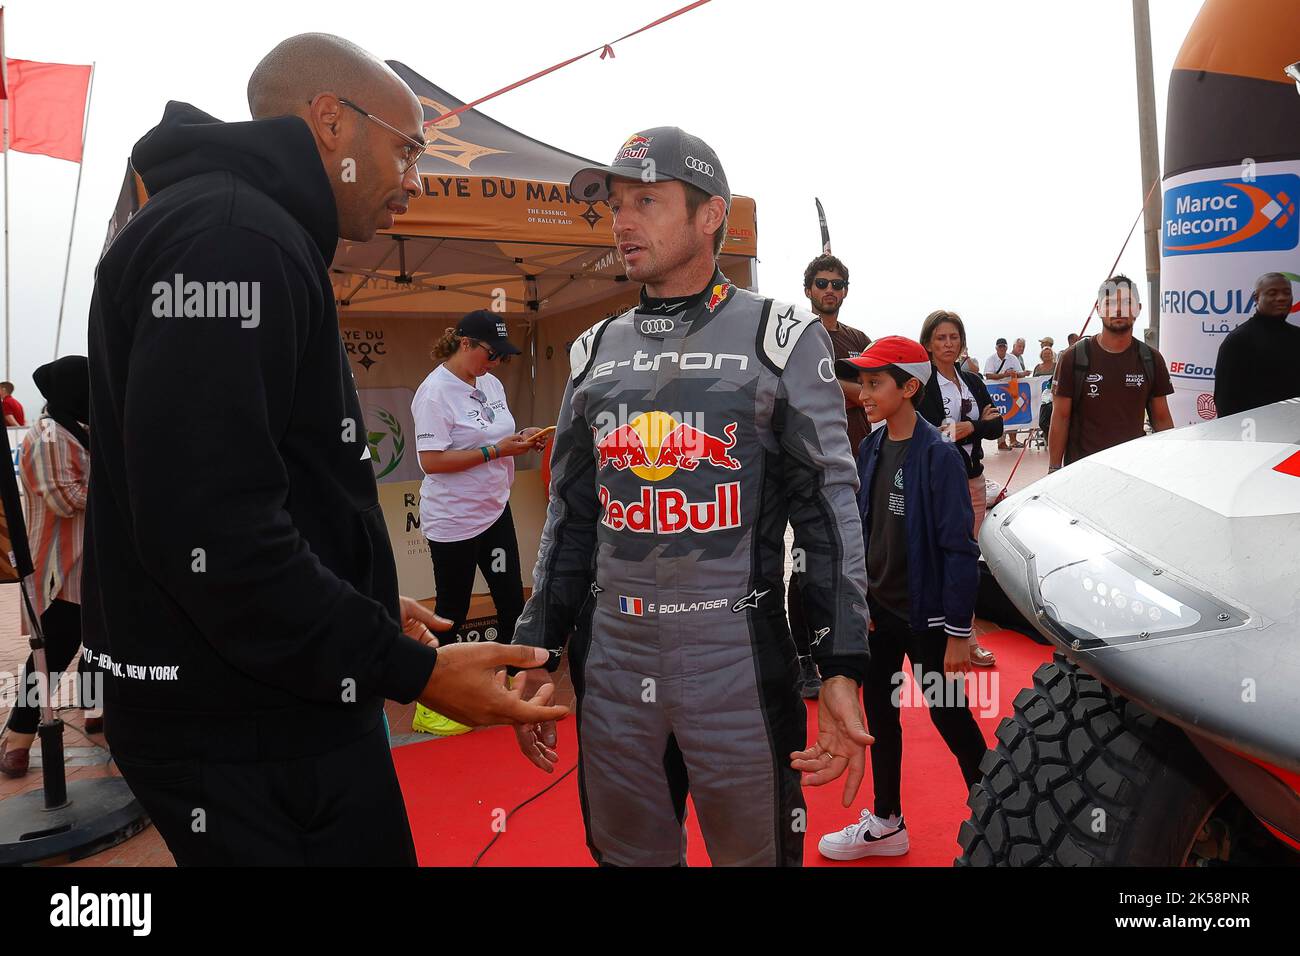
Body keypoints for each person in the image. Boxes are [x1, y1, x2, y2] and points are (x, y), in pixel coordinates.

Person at [82, 33, 565, 866]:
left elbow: (262, 481)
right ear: (333, 120)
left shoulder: (237, 227)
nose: (415, 179)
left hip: (252, 700)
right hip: (248, 719)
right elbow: (213, 533)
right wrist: (408, 670)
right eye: (409, 147)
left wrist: (362, 588)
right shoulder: (233, 238)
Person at [513, 127, 873, 866]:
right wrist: (539, 647)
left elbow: (828, 513)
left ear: (712, 215)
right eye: (615, 204)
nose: (623, 220)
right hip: (612, 659)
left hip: (733, 656)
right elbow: (570, 519)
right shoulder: (594, 349)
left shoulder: (782, 337)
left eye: (646, 199)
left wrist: (841, 663)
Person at [818, 337, 986, 860]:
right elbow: (865, 531)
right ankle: (887, 821)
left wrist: (959, 630)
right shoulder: (869, 448)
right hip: (880, 616)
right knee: (879, 717)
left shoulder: (939, 456)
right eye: (862, 383)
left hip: (929, 621)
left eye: (875, 383)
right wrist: (860, 601)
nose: (863, 393)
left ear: (909, 387)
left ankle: (999, 813)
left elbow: (960, 549)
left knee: (950, 716)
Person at [410, 310, 546, 736]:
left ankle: (504, 687)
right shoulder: (434, 393)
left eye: (502, 356)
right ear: (465, 344)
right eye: (490, 354)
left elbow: (494, 434)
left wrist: (519, 440)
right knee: (452, 612)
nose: (496, 363)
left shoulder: (489, 382)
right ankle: (432, 705)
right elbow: (431, 461)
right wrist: (495, 452)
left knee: (511, 602)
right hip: (454, 520)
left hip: (493, 510)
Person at [0, 358, 99, 777]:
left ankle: (98, 708)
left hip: (90, 562)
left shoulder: (78, 430)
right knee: (55, 650)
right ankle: (19, 735)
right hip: (60, 568)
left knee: (101, 641)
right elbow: (67, 498)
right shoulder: (48, 436)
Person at [788, 254, 871, 699]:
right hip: (808, 467)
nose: (829, 290)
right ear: (807, 289)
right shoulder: (795, 336)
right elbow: (820, 389)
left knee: (851, 563)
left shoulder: (859, 339)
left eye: (837, 284)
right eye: (821, 283)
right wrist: (860, 392)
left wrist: (862, 394)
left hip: (858, 464)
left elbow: (883, 389)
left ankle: (844, 654)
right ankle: (803, 658)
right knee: (805, 566)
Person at [916, 311, 1003, 667]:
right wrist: (970, 426)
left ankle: (967, 638)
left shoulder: (973, 381)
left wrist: (970, 427)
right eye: (941, 338)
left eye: (954, 337)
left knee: (967, 558)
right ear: (928, 344)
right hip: (936, 482)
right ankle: (938, 635)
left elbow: (996, 428)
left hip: (973, 479)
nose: (948, 344)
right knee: (936, 556)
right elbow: (927, 433)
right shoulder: (921, 385)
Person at [1049, 275, 1175, 472]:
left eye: (1127, 302)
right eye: (1110, 303)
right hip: (1083, 471)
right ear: (1098, 309)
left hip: (1134, 471)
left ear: (1138, 309)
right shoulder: (1073, 358)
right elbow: (1060, 417)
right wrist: (1053, 469)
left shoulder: (1151, 359)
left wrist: (1171, 466)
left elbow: (1161, 418)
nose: (1119, 309)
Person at [1213, 272, 1300, 416]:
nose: (1281, 298)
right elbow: (1225, 401)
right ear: (1256, 297)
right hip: (1256, 432)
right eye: (1272, 293)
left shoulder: (1297, 336)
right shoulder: (1238, 341)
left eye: (1287, 292)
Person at [984, 337, 1025, 450]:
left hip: (1011, 391)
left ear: (1007, 347)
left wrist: (1018, 373)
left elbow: (1020, 373)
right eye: (1000, 346)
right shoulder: (991, 359)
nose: (1002, 348)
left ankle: (1013, 440)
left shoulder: (1012, 358)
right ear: (996, 348)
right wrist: (1005, 375)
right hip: (997, 393)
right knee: (999, 416)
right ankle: (1001, 442)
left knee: (1013, 414)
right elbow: (988, 375)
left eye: (1004, 346)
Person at [1034, 340, 1057, 440]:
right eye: (1045, 354)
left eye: (1049, 354)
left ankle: (1053, 437)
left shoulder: (1057, 365)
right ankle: (1047, 437)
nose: (1047, 355)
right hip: (1041, 398)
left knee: (1053, 418)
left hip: (1053, 397)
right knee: (1043, 421)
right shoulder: (1037, 367)